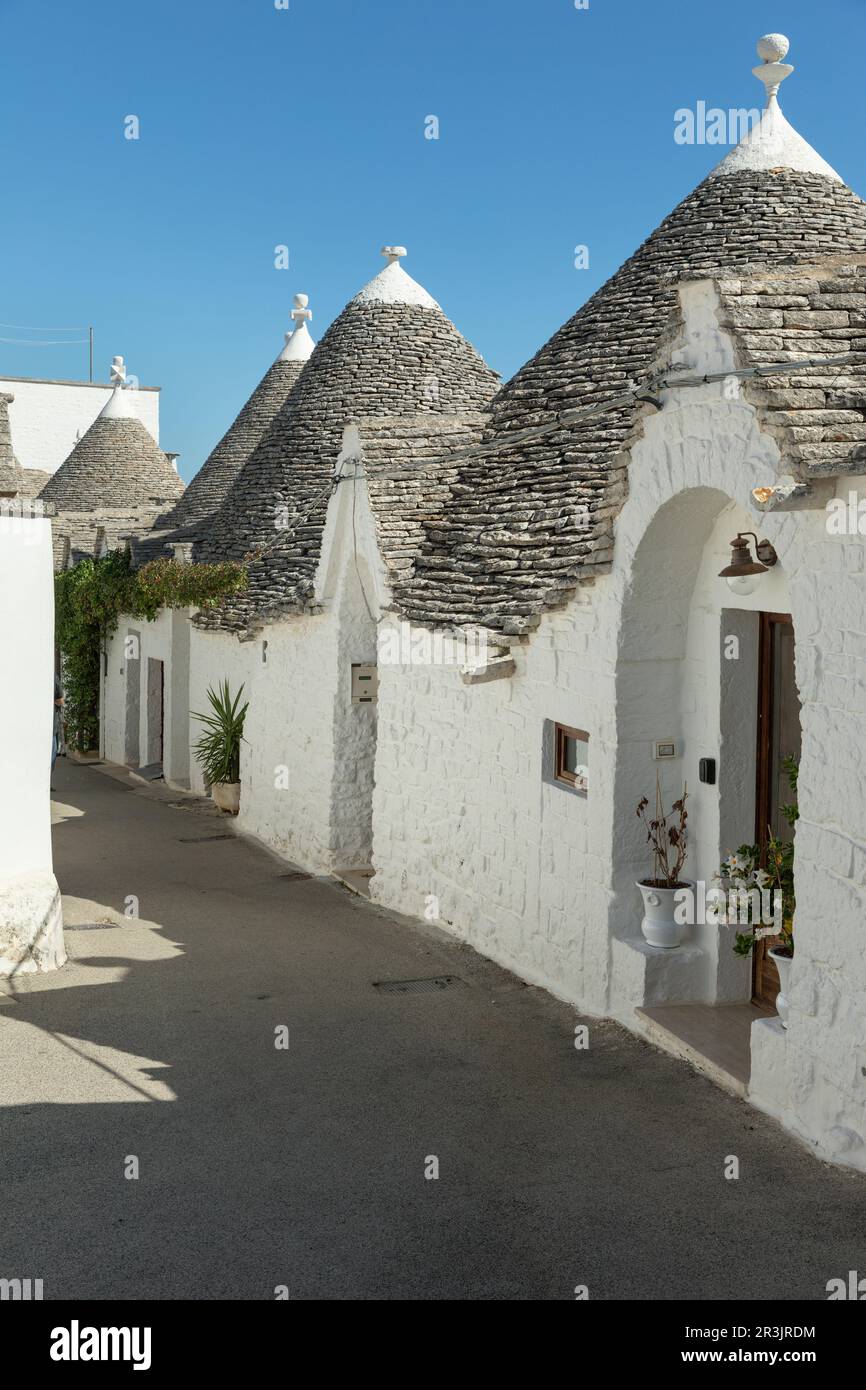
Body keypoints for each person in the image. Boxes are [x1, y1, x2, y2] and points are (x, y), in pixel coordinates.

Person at [51, 672, 64, 787]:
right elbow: (60, 699)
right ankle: (46, 782)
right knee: (52, 754)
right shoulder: (52, 676)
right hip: (50, 724)